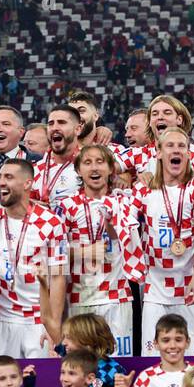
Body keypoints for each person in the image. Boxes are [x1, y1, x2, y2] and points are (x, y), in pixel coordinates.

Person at [0, 158, 67, 358]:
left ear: (27, 183)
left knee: (39, 384)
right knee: (0, 383)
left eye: (9, 177)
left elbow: (58, 277)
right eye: (0, 177)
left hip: (37, 320)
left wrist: (52, 326)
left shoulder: (51, 223)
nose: (1, 182)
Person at [131, 129, 194, 356]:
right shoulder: (143, 189)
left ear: (188, 153)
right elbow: (125, 227)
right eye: (170, 146)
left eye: (182, 146)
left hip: (193, 285)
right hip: (155, 288)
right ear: (158, 152)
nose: (176, 150)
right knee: (152, 356)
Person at [59, 143, 138, 355]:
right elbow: (52, 255)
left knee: (119, 365)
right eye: (87, 162)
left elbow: (128, 243)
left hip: (117, 296)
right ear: (78, 170)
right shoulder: (66, 206)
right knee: (80, 364)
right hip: (78, 297)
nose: (94, 168)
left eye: (100, 162)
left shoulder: (125, 201)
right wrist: (86, 251)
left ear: (112, 168)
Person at [31, 104, 85, 215]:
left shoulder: (91, 166)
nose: (55, 127)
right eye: (51, 124)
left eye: (62, 122)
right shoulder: (34, 170)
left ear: (78, 129)